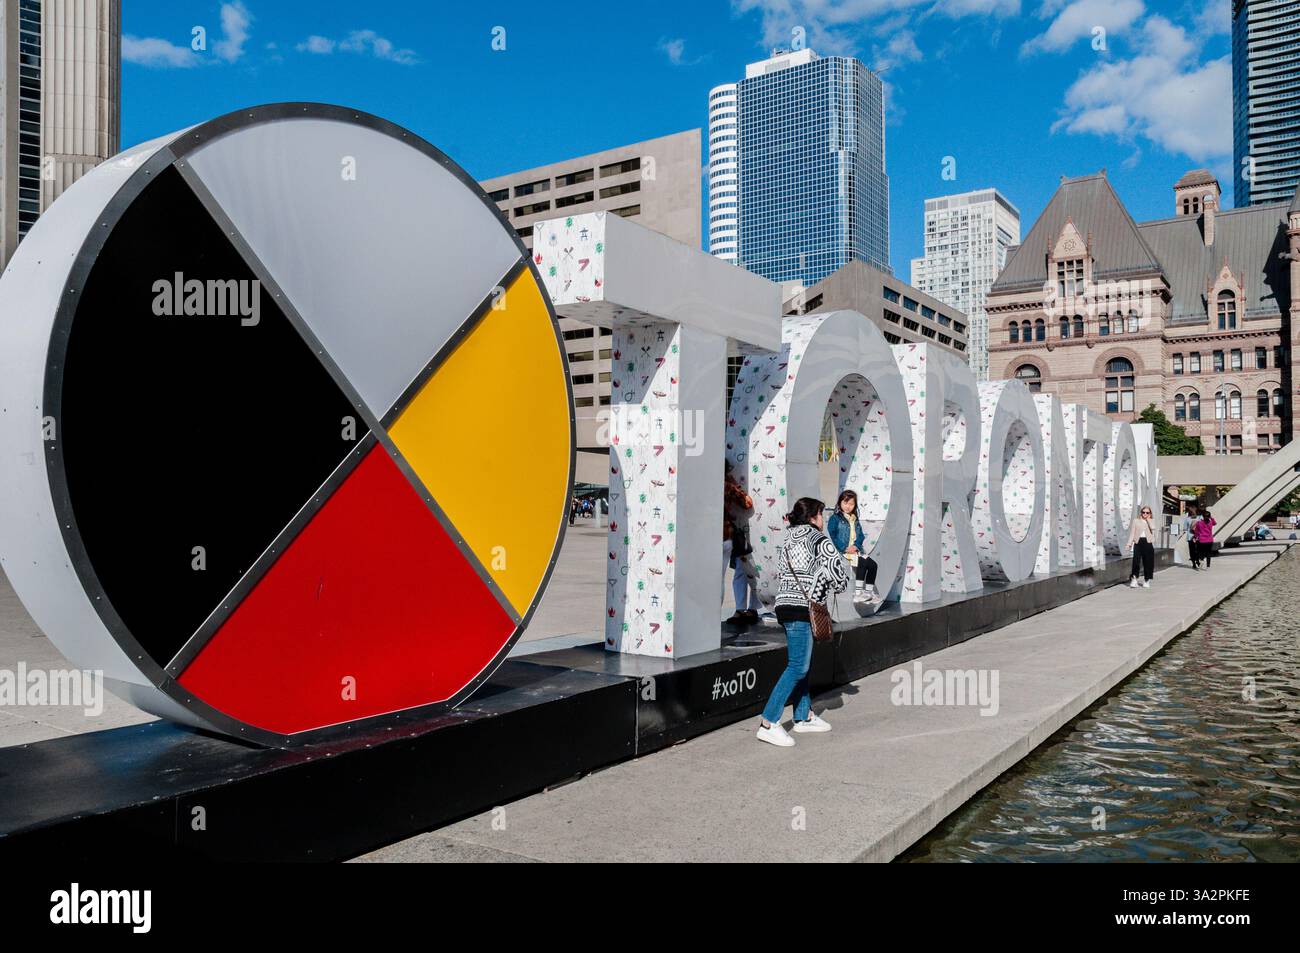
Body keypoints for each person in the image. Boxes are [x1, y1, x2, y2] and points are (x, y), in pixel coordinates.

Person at [756, 498, 850, 748]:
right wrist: (837, 584)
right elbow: (836, 571)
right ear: (813, 517)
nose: (824, 519)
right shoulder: (817, 538)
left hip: (785, 605)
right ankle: (768, 721)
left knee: (801, 664)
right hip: (802, 608)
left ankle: (803, 715)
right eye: (822, 514)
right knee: (798, 666)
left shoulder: (789, 536)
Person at [723, 466, 761, 625]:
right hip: (727, 534)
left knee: (742, 570)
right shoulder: (726, 485)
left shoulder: (719, 484)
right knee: (744, 570)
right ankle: (748, 608)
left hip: (723, 535)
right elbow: (747, 502)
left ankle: (743, 608)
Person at [826, 489, 879, 604]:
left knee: (873, 565)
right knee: (862, 562)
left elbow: (860, 535)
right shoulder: (835, 518)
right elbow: (832, 535)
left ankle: (868, 593)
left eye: (851, 504)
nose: (848, 506)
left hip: (855, 550)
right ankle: (858, 593)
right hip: (843, 551)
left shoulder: (854, 519)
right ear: (840, 503)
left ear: (854, 505)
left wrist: (856, 546)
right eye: (845, 503)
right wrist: (845, 547)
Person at [1127, 505, 1156, 588]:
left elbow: (1153, 528)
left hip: (1148, 543)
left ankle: (1147, 580)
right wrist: (1129, 543)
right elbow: (1132, 533)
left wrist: (1148, 520)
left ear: (1150, 513)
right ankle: (1134, 579)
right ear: (1141, 513)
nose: (1145, 514)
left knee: (1148, 562)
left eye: (1147, 512)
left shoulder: (1151, 521)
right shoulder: (1136, 521)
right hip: (1138, 542)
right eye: (1143, 512)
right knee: (1136, 562)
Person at [1184, 503, 1200, 569]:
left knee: (1192, 550)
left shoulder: (1187, 519)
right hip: (1198, 537)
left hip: (1190, 537)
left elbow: (1185, 528)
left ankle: (1193, 564)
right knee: (1198, 549)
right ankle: (1198, 560)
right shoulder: (1200, 518)